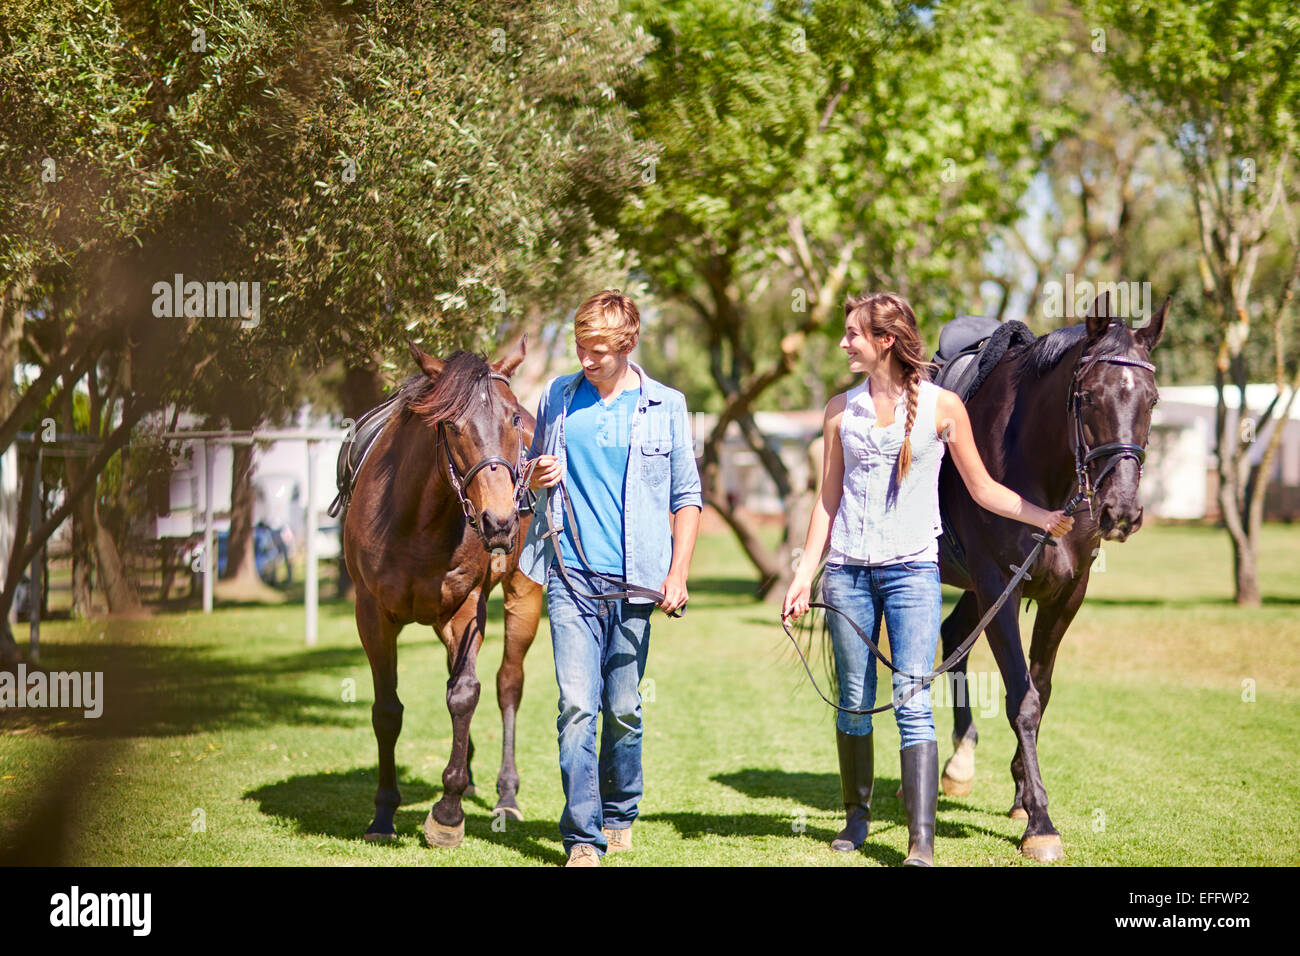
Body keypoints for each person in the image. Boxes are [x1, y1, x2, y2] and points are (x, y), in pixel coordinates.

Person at [782, 292, 1074, 866]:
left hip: (913, 572)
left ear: (884, 341)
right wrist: (803, 572)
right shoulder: (840, 410)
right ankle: (857, 818)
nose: (844, 344)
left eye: (853, 335)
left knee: (912, 700)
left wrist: (1043, 518)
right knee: (853, 702)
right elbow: (827, 498)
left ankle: (921, 841)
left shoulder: (944, 408)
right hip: (846, 573)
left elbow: (983, 488)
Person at [520, 289, 703, 867]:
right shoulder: (558, 395)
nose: (587, 358)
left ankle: (621, 808)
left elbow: (686, 496)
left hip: (635, 582)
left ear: (628, 345)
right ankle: (582, 838)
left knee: (623, 706)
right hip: (570, 574)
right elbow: (529, 472)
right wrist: (538, 471)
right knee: (577, 704)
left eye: (599, 348)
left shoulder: (665, 405)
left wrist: (679, 572)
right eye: (581, 346)